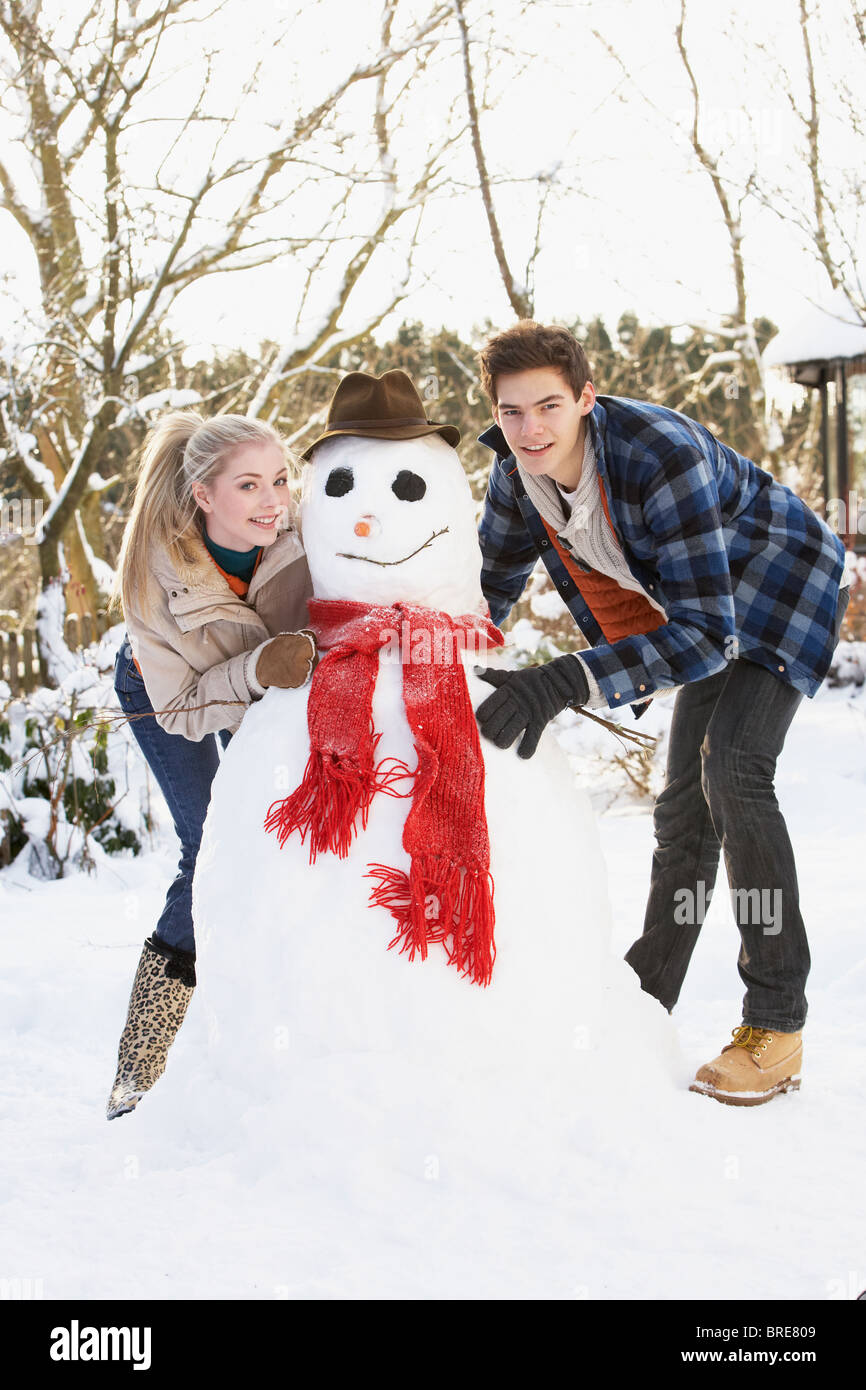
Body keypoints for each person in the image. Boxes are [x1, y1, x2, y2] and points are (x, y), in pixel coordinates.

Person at [473, 320, 848, 1106]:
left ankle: (775, 1024)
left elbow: (708, 635)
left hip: (782, 584)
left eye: (549, 405)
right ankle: (645, 1003)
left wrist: (562, 681)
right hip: (700, 612)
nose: (531, 428)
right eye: (513, 412)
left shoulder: (657, 453)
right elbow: (485, 594)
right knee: (683, 813)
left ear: (585, 397)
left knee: (733, 772)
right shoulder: (516, 481)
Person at [106, 411, 316, 1119]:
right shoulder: (152, 582)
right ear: (203, 496)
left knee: (279, 836)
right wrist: (261, 668)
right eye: (249, 485)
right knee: (209, 850)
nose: (272, 501)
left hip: (265, 687)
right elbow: (183, 709)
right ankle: (139, 1067)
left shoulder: (302, 533)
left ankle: (269, 1039)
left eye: (280, 481)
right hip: (170, 692)